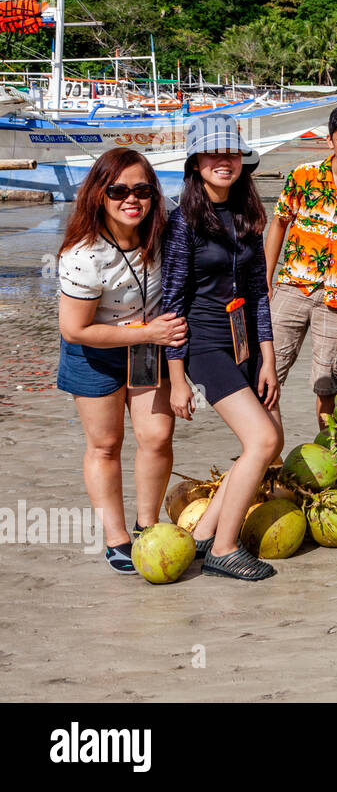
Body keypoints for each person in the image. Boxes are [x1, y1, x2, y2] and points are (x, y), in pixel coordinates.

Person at [163, 113, 283, 581]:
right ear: (195, 163)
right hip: (206, 343)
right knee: (263, 439)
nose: (223, 161)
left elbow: (258, 292)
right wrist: (177, 378)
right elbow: (171, 303)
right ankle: (225, 549)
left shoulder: (250, 215)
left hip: (246, 341)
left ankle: (203, 537)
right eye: (213, 154)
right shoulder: (182, 223)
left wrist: (268, 357)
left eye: (230, 153)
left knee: (268, 442)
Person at [57, 148, 186, 574]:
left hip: (146, 352)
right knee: (105, 444)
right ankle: (117, 539)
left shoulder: (163, 230)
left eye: (142, 190)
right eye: (118, 190)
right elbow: (74, 329)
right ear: (99, 194)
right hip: (94, 353)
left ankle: (147, 525)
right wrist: (147, 332)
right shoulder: (84, 255)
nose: (131, 199)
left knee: (156, 436)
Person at [264, 100, 337, 427]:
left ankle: (327, 453)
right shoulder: (303, 176)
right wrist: (265, 278)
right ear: (330, 141)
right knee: (269, 374)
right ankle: (267, 458)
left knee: (327, 381)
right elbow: (279, 225)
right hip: (291, 288)